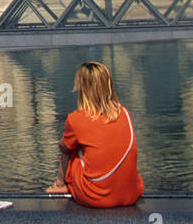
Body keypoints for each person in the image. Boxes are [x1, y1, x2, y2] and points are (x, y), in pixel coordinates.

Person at [46, 61, 143, 208]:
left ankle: (59, 185)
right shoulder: (124, 113)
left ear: (82, 88)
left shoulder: (76, 119)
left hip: (95, 196)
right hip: (132, 194)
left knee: (69, 148)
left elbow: (64, 148)